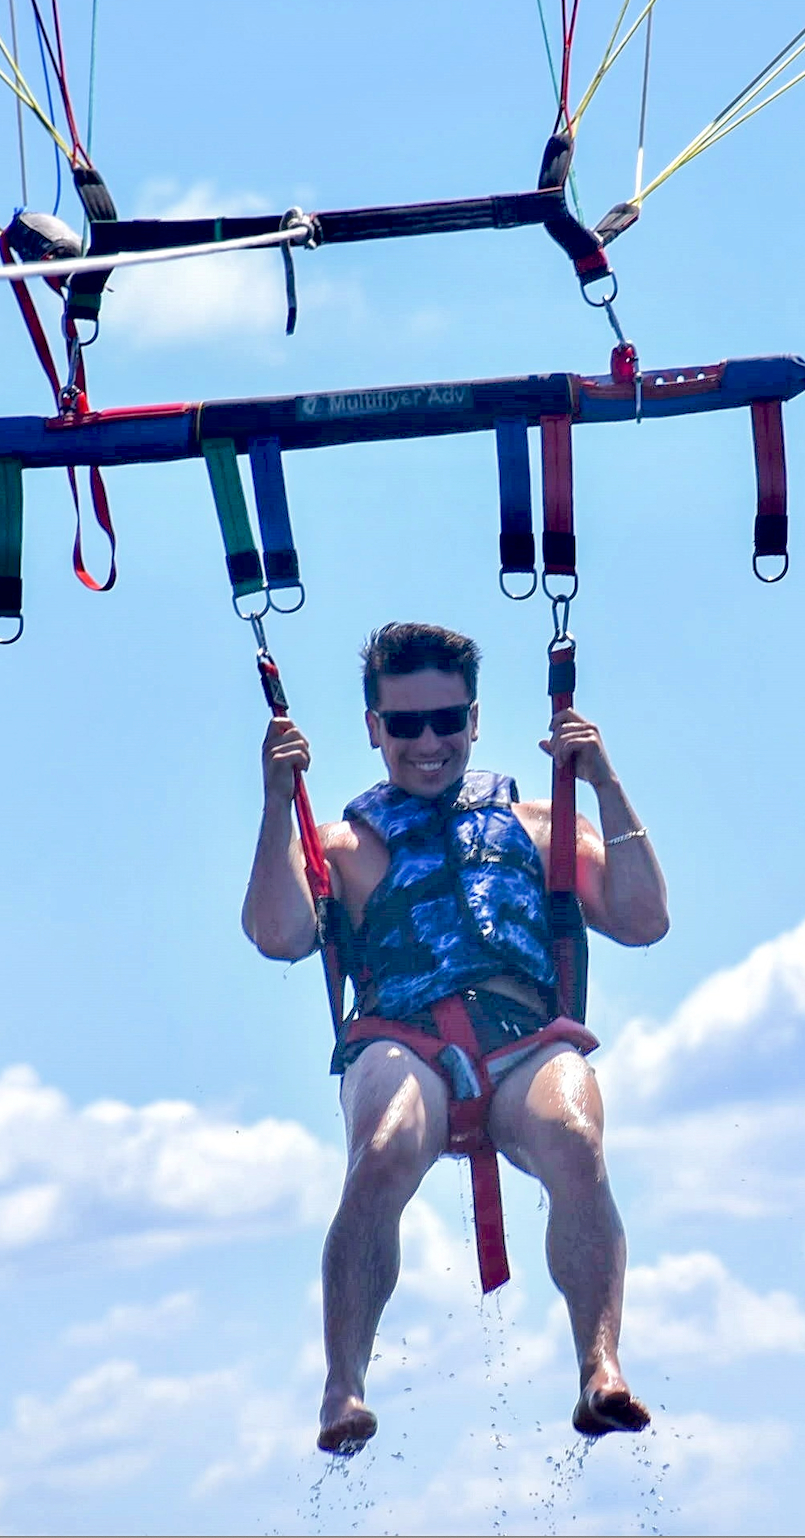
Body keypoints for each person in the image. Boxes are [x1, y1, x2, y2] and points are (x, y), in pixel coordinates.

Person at [242, 621, 669, 1454]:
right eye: (405, 725)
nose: (429, 742)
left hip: (522, 1040)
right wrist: (272, 801)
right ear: (374, 729)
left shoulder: (543, 825)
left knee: (577, 1139)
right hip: (400, 1040)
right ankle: (343, 1388)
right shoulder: (342, 846)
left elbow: (645, 918)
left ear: (475, 720)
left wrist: (605, 781)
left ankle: (600, 1368)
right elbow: (275, 931)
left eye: (447, 720)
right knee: (385, 1148)